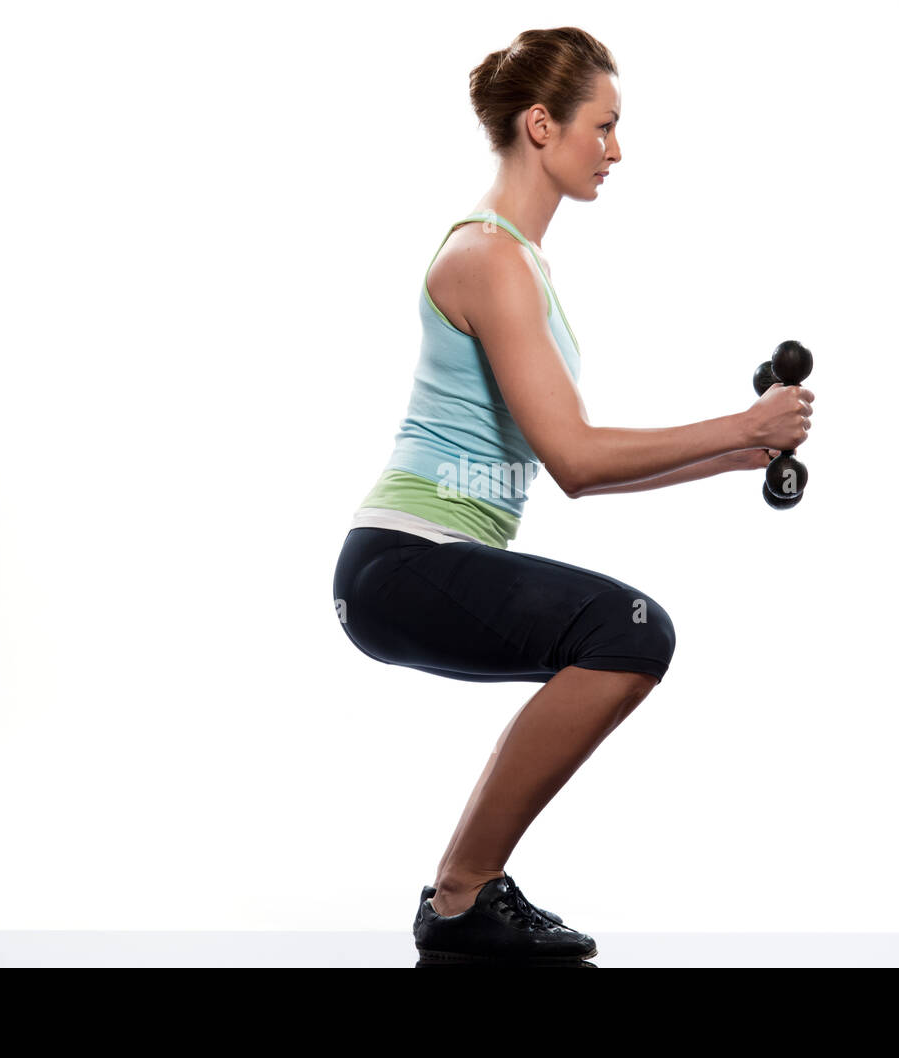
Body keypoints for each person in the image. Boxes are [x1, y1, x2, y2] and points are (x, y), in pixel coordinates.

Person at [331, 26, 814, 963]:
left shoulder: (523, 265)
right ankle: (465, 896)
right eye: (605, 126)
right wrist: (741, 424)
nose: (618, 150)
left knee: (622, 635)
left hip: (425, 561)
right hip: (398, 561)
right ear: (543, 126)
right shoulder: (488, 259)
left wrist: (730, 455)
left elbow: (571, 471)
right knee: (629, 631)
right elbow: (578, 458)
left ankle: (465, 894)